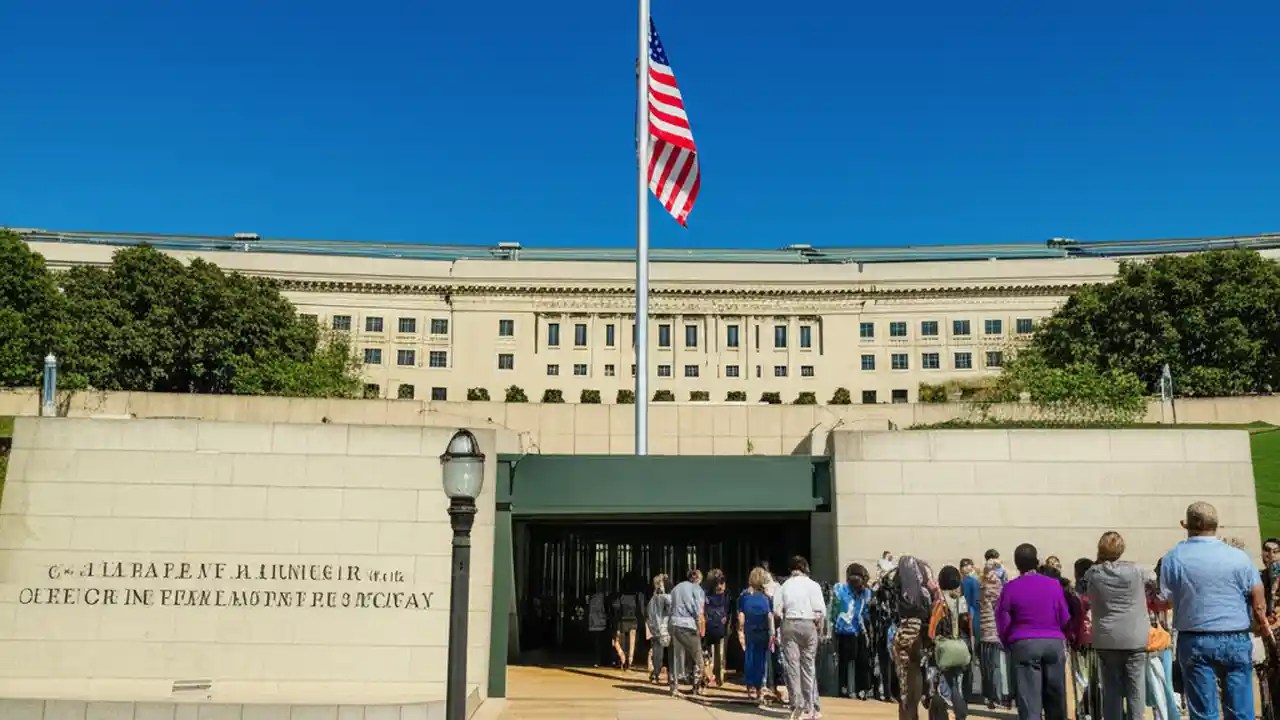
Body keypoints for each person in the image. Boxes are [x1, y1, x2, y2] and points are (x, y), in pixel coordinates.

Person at [1160, 502, 1273, 720]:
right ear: (1217, 525)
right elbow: (1258, 599)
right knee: (1241, 710)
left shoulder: (1173, 557)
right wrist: (1262, 626)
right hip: (1236, 636)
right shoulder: (1239, 557)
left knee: (1203, 712)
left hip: (1195, 637)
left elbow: (1168, 598)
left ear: (1186, 524)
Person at [996, 543, 1070, 720]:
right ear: (1037, 561)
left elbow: (1003, 621)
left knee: (1029, 702)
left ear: (1016, 564)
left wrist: (1009, 642)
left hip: (1024, 643)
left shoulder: (1010, 588)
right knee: (1056, 700)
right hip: (1053, 643)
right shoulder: (1053, 585)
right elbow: (1064, 616)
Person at [1085, 531, 1150, 720]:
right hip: (1134, 636)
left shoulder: (1093, 574)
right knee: (1136, 688)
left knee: (1111, 690)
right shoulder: (1137, 571)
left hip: (1106, 637)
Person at [777, 555, 825, 720]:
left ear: (791, 570)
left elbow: (777, 610)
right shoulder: (813, 585)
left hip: (789, 623)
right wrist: (819, 629)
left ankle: (797, 704)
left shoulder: (784, 586)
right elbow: (820, 612)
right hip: (809, 624)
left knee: (792, 666)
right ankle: (812, 706)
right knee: (808, 666)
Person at [893, 554, 937, 720]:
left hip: (905, 630)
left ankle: (908, 715)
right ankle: (915, 711)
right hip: (923, 633)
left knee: (904, 683)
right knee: (916, 673)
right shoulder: (926, 588)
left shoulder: (900, 586)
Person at [930, 565, 972, 720]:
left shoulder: (940, 602)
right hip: (961, 647)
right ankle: (961, 713)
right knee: (956, 684)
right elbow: (967, 626)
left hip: (945, 649)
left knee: (943, 686)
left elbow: (933, 630)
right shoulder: (961, 600)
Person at [832, 562, 873, 698]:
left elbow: (867, 612)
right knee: (844, 660)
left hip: (860, 630)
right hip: (844, 630)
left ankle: (863, 688)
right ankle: (842, 688)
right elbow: (835, 609)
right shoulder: (840, 589)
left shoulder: (866, 593)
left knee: (862, 660)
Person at [739, 567, 776, 704]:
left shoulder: (744, 596)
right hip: (763, 631)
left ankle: (750, 687)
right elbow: (770, 615)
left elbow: (741, 616)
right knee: (762, 660)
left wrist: (740, 631)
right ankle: (761, 688)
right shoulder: (767, 597)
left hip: (750, 630)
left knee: (750, 657)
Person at [669, 568, 707, 697]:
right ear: (697, 579)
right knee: (697, 655)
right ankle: (697, 685)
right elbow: (697, 609)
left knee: (676, 655)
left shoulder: (676, 588)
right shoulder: (697, 589)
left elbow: (670, 604)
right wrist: (700, 624)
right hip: (689, 624)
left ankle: (674, 686)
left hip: (674, 623)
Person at [979, 557, 1010, 709]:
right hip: (996, 632)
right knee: (997, 666)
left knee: (988, 667)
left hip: (985, 632)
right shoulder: (999, 587)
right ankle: (999, 696)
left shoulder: (982, 586)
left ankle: (991, 695)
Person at [613, 572, 646, 671]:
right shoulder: (637, 596)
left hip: (622, 621)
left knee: (618, 642)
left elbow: (616, 607)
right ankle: (630, 661)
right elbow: (641, 610)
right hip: (633, 621)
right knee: (632, 643)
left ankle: (622, 656)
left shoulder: (621, 596)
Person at [703, 568, 730, 687]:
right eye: (717, 582)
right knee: (715, 652)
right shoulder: (724, 596)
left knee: (715, 652)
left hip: (716, 625)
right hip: (715, 626)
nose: (720, 585)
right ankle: (713, 676)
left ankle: (715, 675)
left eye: (722, 581)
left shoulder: (706, 595)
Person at [960, 558, 982, 701]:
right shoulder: (973, 582)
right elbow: (976, 603)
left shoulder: (964, 582)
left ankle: (966, 690)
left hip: (964, 621)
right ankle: (974, 691)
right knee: (974, 657)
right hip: (972, 621)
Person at [646, 573, 673, 684]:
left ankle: (656, 674)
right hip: (666, 629)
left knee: (657, 654)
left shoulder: (652, 600)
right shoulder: (666, 598)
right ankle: (671, 676)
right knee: (670, 654)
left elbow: (648, 615)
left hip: (656, 630)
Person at [587, 579, 613, 667]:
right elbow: (607, 609)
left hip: (593, 624)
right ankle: (604, 661)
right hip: (602, 623)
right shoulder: (603, 597)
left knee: (596, 644)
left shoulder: (591, 599)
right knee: (603, 643)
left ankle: (597, 661)